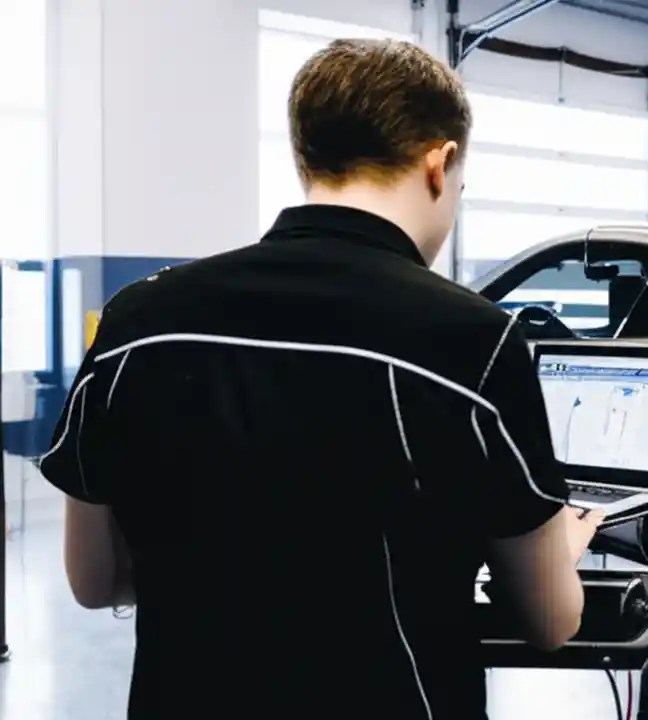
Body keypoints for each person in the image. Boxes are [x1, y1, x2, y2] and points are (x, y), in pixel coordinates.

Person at [39, 39, 603, 720]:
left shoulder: (137, 321)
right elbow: (550, 621)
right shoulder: (474, 339)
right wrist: (563, 548)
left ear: (306, 158)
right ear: (440, 164)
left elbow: (95, 582)